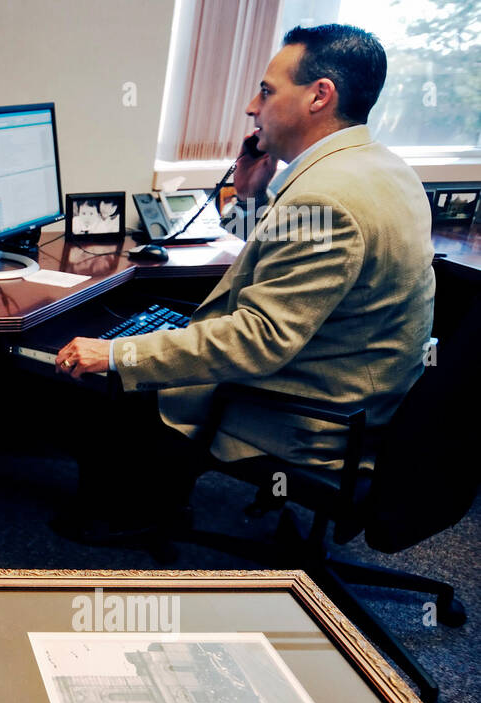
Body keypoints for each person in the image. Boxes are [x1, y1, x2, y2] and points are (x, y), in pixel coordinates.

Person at [53, 24, 435, 532]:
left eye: (267, 91)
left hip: (312, 421)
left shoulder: (325, 196)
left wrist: (118, 354)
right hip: (366, 395)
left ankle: (123, 524)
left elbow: (260, 339)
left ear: (320, 96)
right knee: (147, 347)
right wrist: (251, 197)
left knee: (119, 378)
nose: (252, 108)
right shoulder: (379, 168)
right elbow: (288, 258)